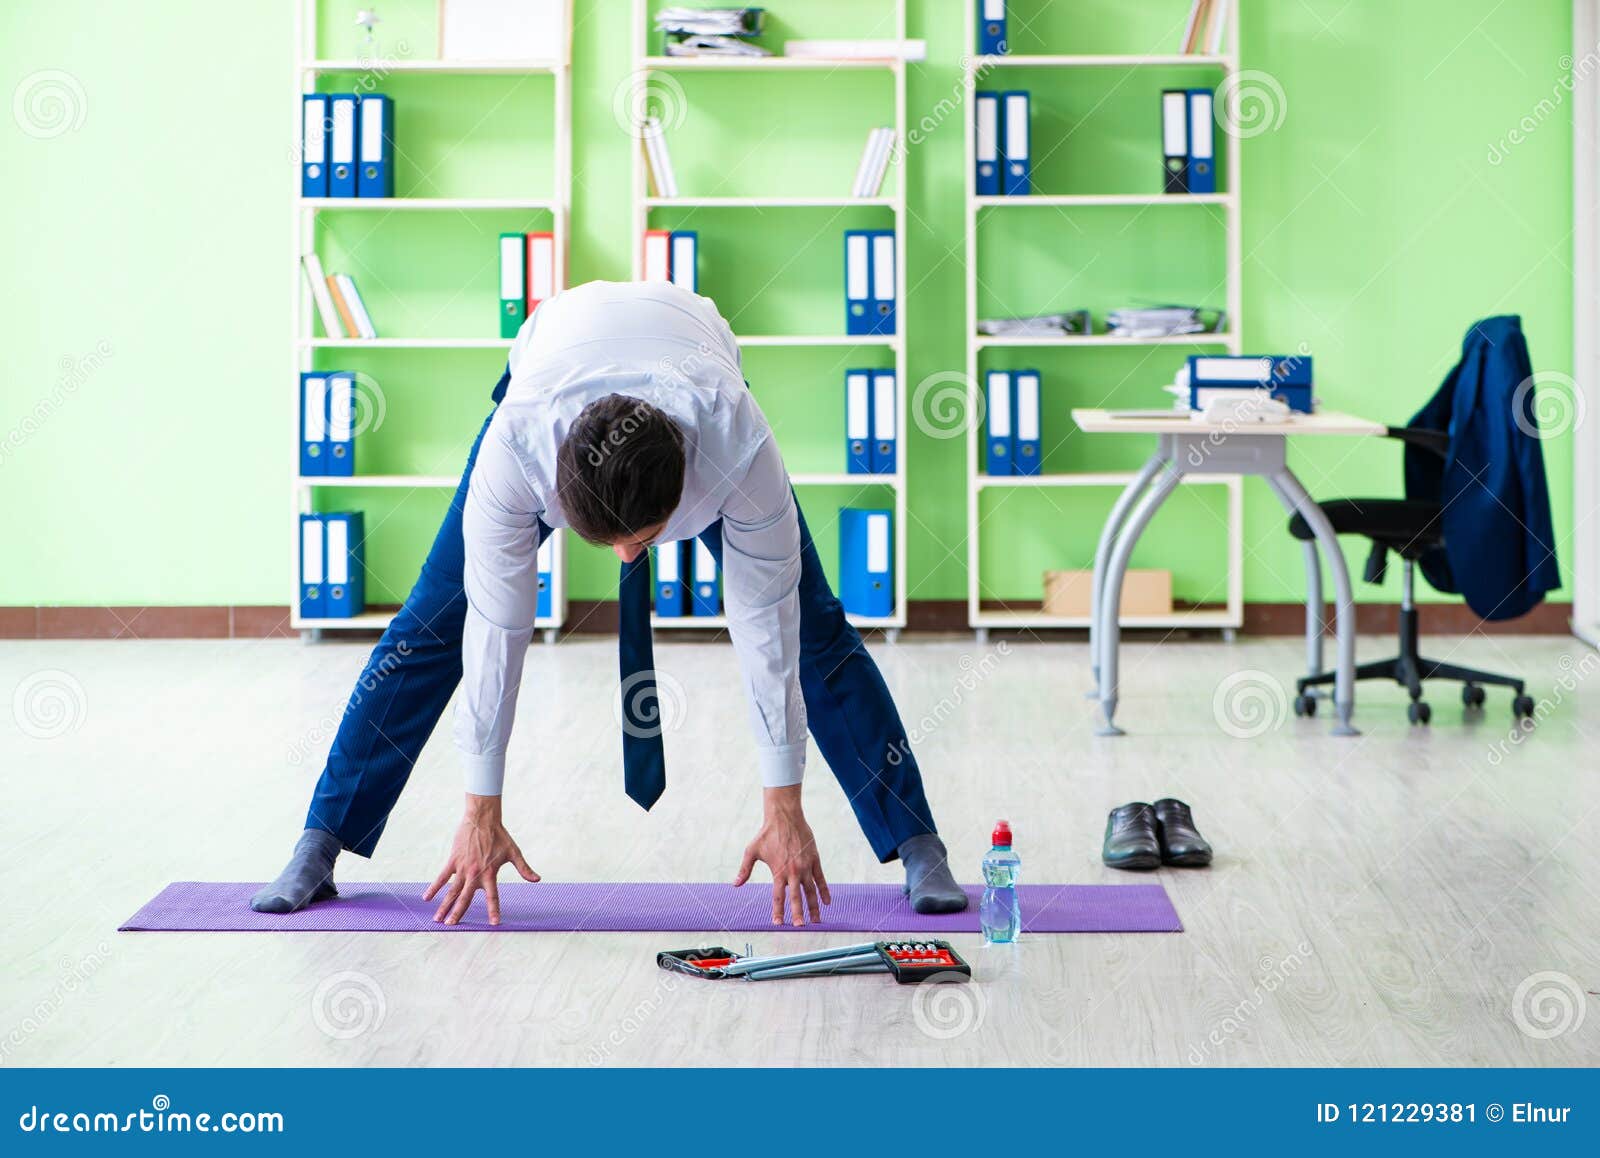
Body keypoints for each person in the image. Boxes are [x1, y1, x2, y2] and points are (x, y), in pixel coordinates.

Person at [252, 280, 966, 925]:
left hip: (695, 354)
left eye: (642, 542)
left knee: (815, 630)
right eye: (609, 544)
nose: (629, 558)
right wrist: (480, 808)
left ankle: (917, 843)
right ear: (559, 496)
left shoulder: (736, 448)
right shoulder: (518, 452)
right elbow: (497, 629)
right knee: (434, 623)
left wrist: (784, 805)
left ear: (687, 492)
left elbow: (766, 629)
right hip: (551, 359)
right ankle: (321, 841)